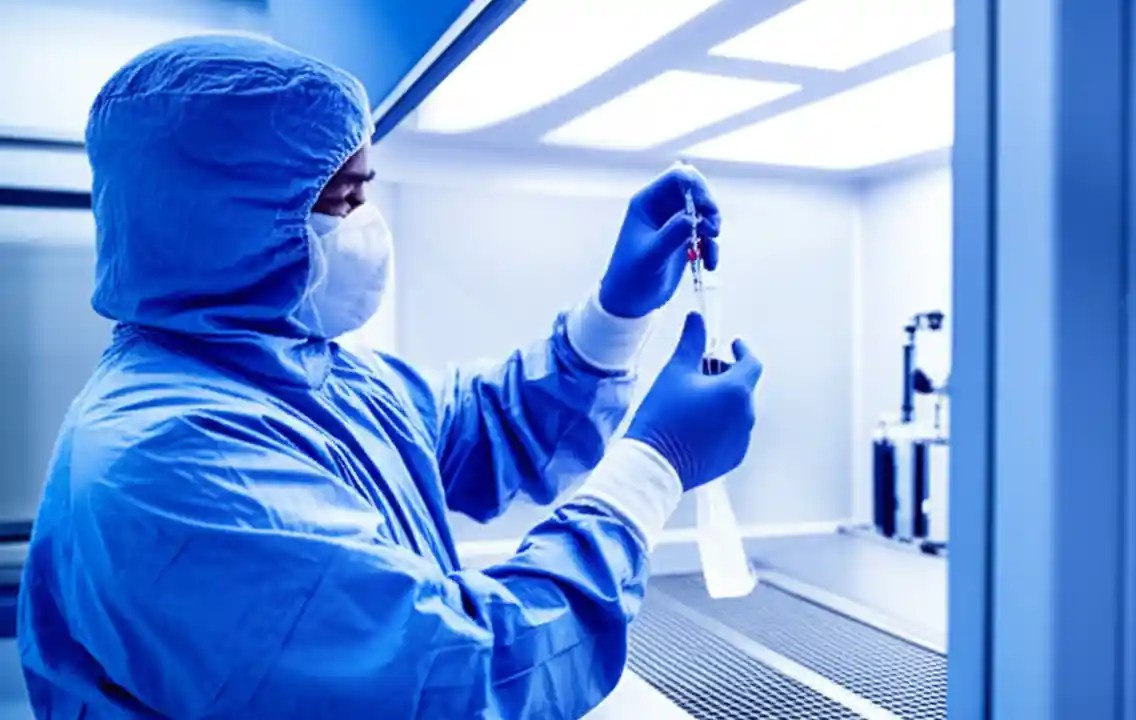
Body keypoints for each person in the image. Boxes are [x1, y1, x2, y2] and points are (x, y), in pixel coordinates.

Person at [16, 34, 764, 719]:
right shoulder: (166, 461)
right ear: (228, 222)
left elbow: (483, 428)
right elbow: (455, 683)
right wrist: (655, 467)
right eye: (343, 200)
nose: (365, 227)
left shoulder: (308, 373)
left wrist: (617, 314)